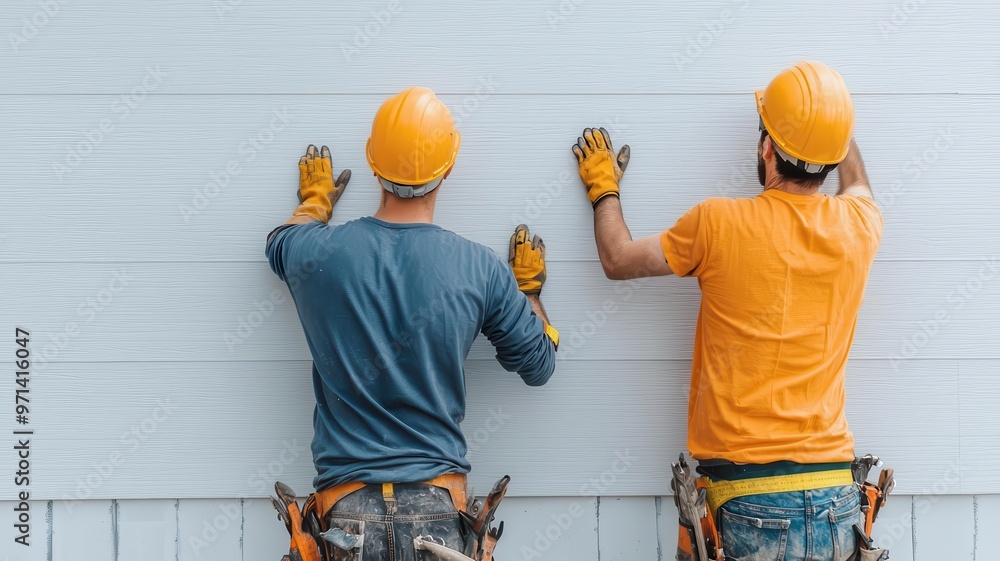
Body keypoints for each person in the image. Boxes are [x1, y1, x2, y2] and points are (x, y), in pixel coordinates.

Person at [571, 61, 882, 561]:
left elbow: (617, 259)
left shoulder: (718, 224)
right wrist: (827, 127)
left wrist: (604, 191)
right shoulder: (859, 227)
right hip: (836, 500)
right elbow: (858, 182)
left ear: (766, 148)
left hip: (747, 499)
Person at [266, 86, 559, 561]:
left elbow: (281, 242)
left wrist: (316, 201)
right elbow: (539, 365)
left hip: (346, 514)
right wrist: (528, 294)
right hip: (437, 514)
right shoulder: (479, 268)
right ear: (448, 168)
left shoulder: (318, 254)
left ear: (372, 163)